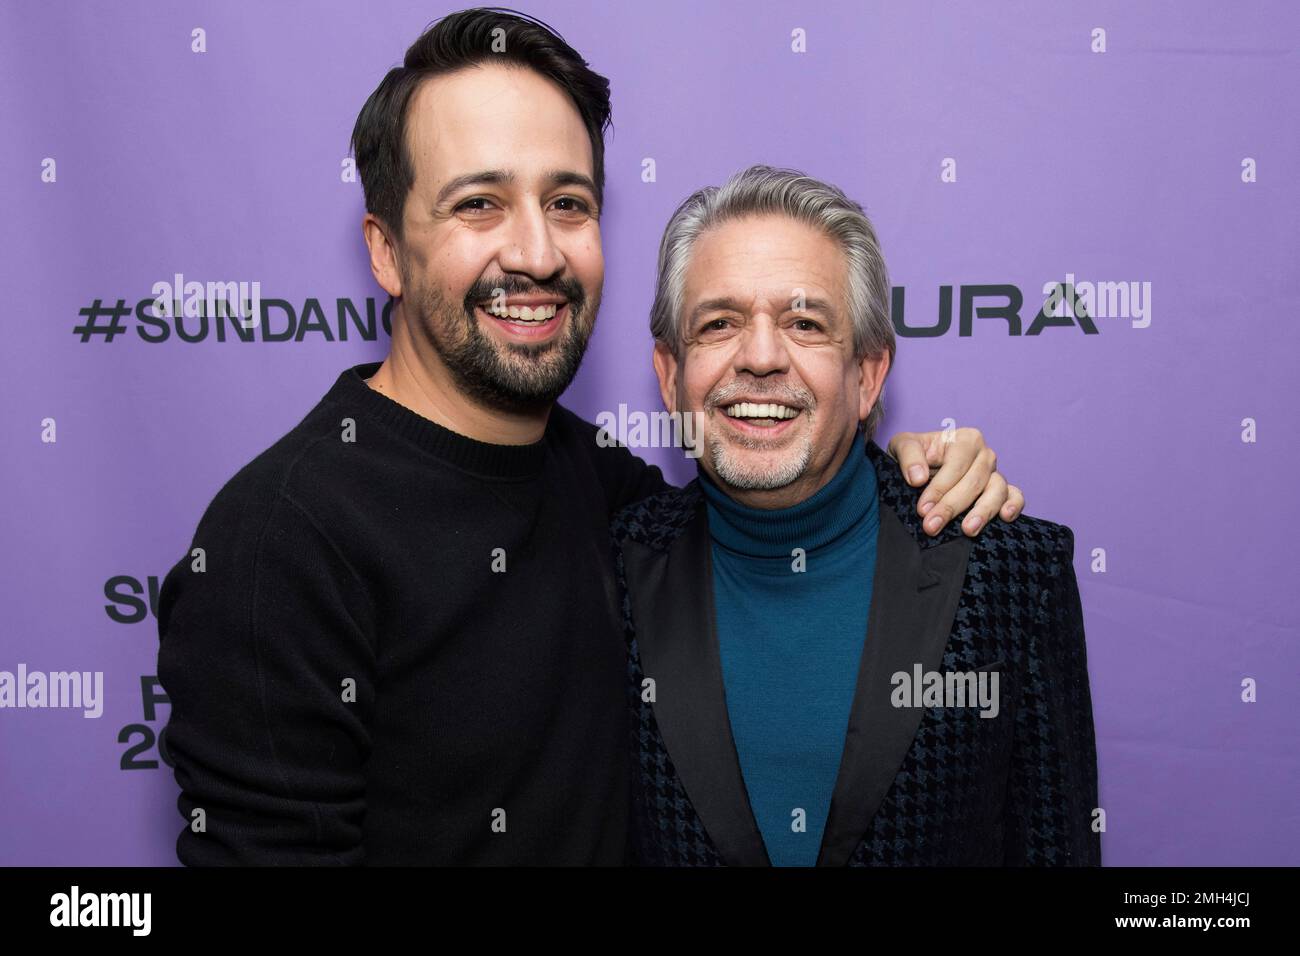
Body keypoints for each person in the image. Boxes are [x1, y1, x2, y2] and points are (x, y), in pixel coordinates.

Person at [157, 8, 1025, 866]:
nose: (536, 253)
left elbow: (777, 504)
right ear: (385, 252)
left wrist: (917, 473)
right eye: (478, 203)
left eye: (567, 202)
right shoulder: (280, 542)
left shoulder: (609, 495)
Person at [613, 165, 1100, 866]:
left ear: (868, 375)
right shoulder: (607, 575)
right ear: (668, 374)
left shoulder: (1009, 571)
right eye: (719, 323)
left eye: (804, 323)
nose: (758, 357)